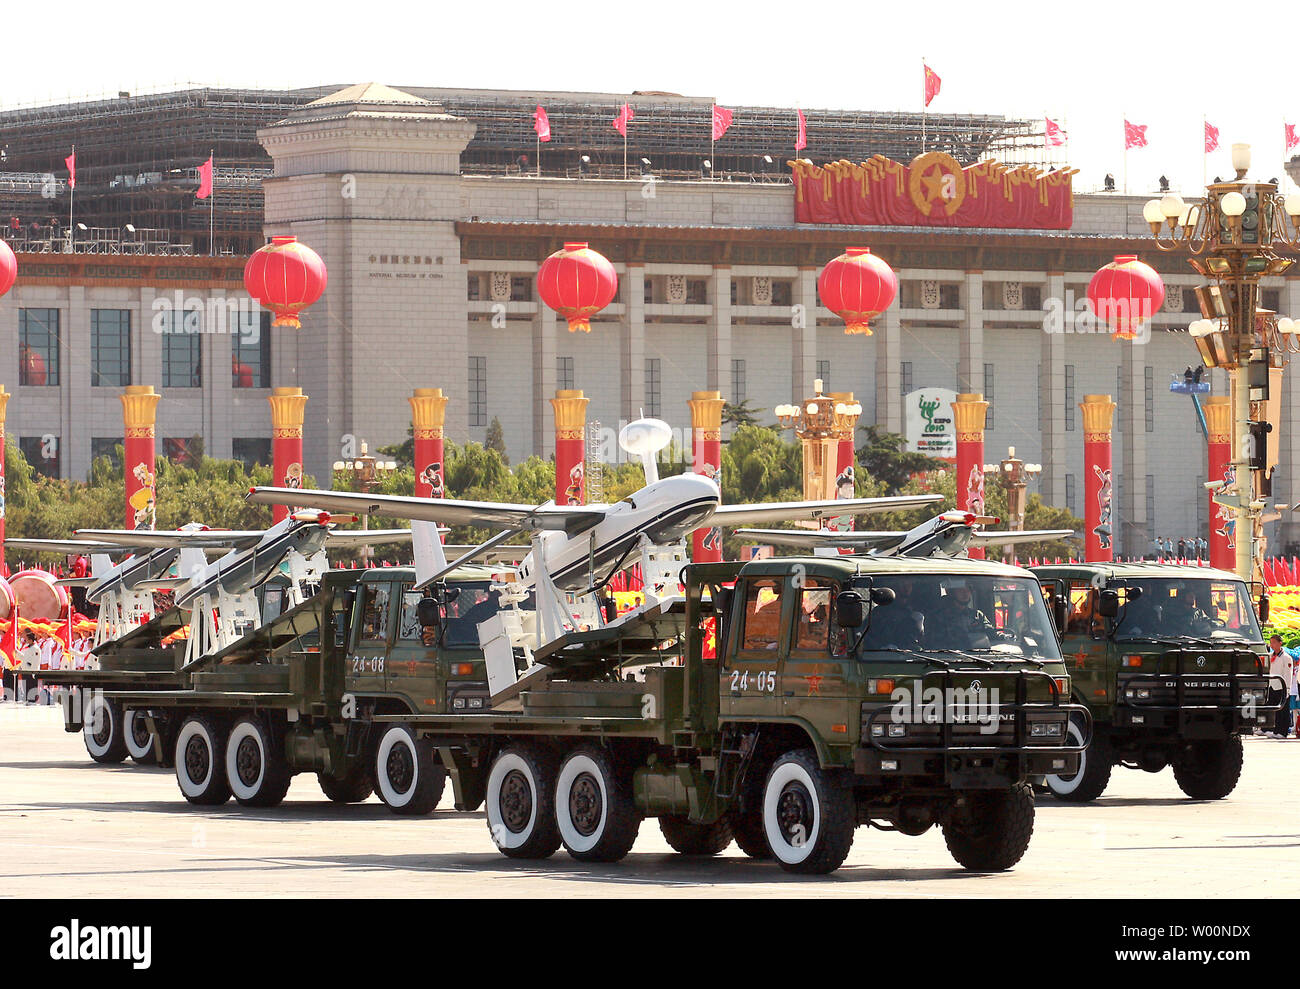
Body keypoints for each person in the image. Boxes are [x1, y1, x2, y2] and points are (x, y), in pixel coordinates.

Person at [1266, 635, 1293, 737]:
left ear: (1280, 643)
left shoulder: (1286, 657)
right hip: (1272, 686)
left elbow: (1288, 674)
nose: (1272, 645)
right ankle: (1276, 730)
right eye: (1271, 642)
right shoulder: (1271, 655)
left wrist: (1288, 689)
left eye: (1274, 642)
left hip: (1282, 687)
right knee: (1274, 710)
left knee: (1283, 710)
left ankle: (1283, 731)